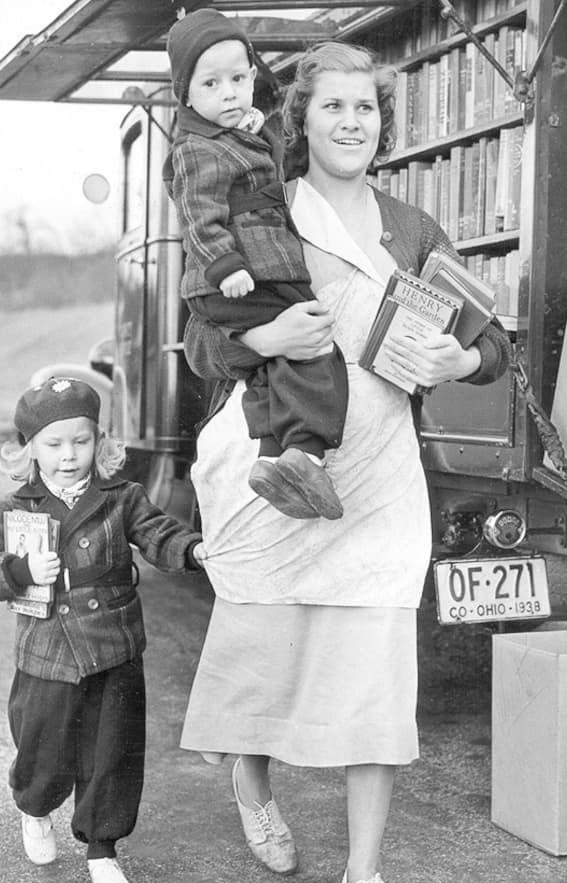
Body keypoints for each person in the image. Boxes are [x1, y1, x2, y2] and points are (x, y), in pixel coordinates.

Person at [179, 42, 511, 883]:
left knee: (375, 684)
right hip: (275, 468)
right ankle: (251, 783)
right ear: (302, 121)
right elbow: (206, 346)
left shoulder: (413, 230)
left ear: (383, 124)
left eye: (367, 108)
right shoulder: (261, 209)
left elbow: (497, 348)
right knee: (262, 651)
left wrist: (461, 357)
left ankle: (365, 875)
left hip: (378, 475)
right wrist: (267, 335)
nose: (352, 122)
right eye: (334, 107)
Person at [0, 377, 205, 883]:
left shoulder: (123, 498)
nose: (69, 456)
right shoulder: (16, 506)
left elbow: (159, 532)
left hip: (113, 647)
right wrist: (20, 568)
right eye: (53, 444)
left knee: (112, 751)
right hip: (47, 652)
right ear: (30, 450)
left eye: (82, 440)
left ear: (100, 442)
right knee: (43, 752)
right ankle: (34, 806)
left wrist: (192, 550)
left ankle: (102, 848)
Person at [163, 7, 348, 521]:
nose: (230, 93)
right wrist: (225, 266)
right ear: (187, 95)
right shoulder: (195, 148)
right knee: (315, 349)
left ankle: (273, 460)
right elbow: (198, 215)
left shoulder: (235, 137)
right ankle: (304, 455)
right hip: (244, 274)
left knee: (278, 364)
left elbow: (267, 172)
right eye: (212, 83)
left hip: (253, 271)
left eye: (240, 79)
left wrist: (254, 131)